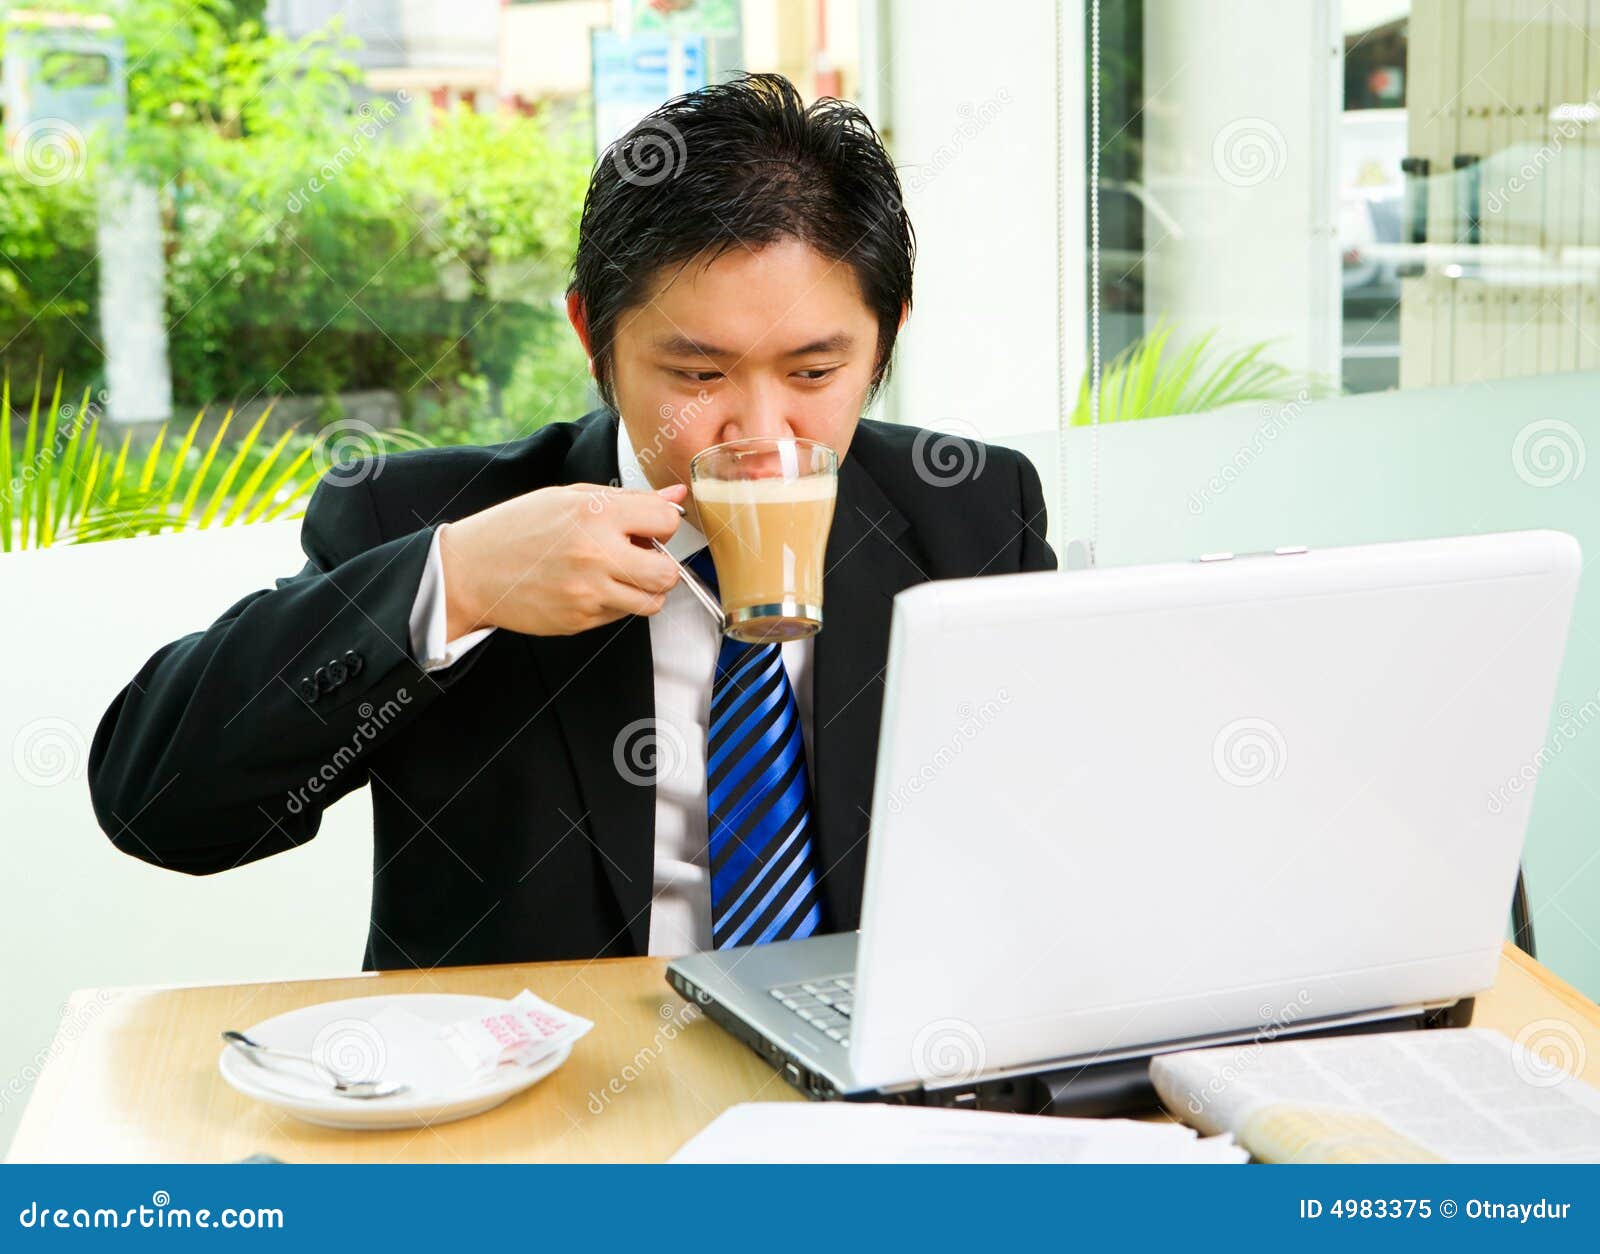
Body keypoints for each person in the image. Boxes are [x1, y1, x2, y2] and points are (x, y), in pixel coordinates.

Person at [88, 74, 1056, 970]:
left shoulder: (971, 513)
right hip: (550, 1116)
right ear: (593, 333)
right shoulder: (425, 522)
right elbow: (164, 813)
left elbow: (1059, 828)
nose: (761, 435)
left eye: (813, 374)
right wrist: (451, 583)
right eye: (698, 375)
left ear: (887, 335)